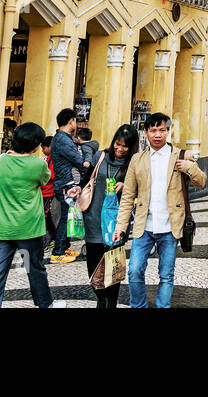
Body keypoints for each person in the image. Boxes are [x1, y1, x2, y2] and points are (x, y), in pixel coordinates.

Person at [113, 113, 206, 309]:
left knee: (166, 274)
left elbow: (201, 182)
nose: (157, 135)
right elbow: (128, 196)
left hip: (169, 227)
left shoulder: (181, 156)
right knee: (134, 271)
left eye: (162, 130)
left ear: (168, 131)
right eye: (153, 130)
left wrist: (190, 168)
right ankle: (139, 306)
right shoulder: (137, 160)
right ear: (145, 132)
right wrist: (120, 227)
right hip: (143, 226)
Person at [0, 121, 65, 308]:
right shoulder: (37, 164)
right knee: (34, 270)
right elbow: (45, 179)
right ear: (35, 145)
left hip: (0, 229)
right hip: (28, 230)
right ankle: (45, 304)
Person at [83, 123, 137, 308]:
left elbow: (140, 190)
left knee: (113, 266)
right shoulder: (100, 157)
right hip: (94, 219)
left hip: (115, 223)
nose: (120, 149)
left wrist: (127, 187)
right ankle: (100, 299)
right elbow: (86, 179)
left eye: (125, 146)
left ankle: (110, 302)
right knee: (93, 265)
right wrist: (76, 189)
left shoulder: (132, 164)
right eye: (118, 143)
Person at [49, 108, 86, 263]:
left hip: (65, 181)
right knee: (65, 218)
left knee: (69, 216)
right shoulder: (63, 140)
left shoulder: (61, 138)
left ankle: (64, 247)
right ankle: (58, 252)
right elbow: (77, 159)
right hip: (67, 183)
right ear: (71, 121)